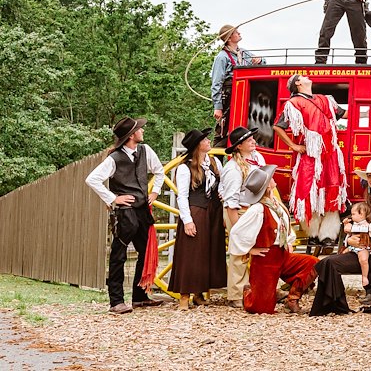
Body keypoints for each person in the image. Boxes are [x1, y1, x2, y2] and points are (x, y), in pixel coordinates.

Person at [310, 158, 371, 315]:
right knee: (329, 263)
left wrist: (356, 229)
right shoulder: (369, 198)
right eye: (370, 176)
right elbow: (362, 225)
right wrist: (349, 239)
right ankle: (335, 305)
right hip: (366, 251)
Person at [85, 116, 165, 314]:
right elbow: (92, 179)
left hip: (142, 211)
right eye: (139, 129)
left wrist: (155, 192)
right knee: (118, 254)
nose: (142, 131)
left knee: (145, 252)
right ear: (131, 135)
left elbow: (160, 171)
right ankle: (116, 302)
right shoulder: (114, 158)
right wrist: (113, 199)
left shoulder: (146, 151)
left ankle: (139, 297)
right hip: (125, 212)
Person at [228, 166, 319, 314]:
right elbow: (237, 232)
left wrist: (289, 242)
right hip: (266, 259)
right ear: (267, 186)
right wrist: (250, 249)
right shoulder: (257, 209)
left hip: (282, 254)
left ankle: (292, 299)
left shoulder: (276, 204)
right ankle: (250, 292)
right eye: (271, 178)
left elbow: (285, 227)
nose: (274, 179)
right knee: (261, 309)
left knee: (313, 263)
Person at [273, 74, 348, 245]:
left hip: (330, 154)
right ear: (297, 83)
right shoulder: (293, 103)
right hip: (310, 155)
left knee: (332, 190)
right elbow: (278, 126)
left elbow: (343, 115)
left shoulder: (324, 99)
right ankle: (313, 233)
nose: (307, 76)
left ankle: (328, 234)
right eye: (302, 76)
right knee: (309, 191)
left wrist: (370, 113)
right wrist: (293, 145)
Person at [168, 128, 227, 310]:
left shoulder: (215, 162)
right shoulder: (185, 168)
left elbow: (222, 185)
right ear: (197, 146)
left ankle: (199, 294)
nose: (209, 141)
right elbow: (182, 196)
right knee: (191, 254)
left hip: (214, 211)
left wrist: (225, 204)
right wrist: (187, 220)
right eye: (205, 140)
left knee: (209, 252)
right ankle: (184, 297)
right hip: (196, 211)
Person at [219, 126, 265, 307]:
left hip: (255, 211)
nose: (253, 141)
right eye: (249, 140)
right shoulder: (232, 169)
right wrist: (236, 229)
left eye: (252, 138)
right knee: (240, 253)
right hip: (237, 211)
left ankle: (259, 288)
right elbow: (230, 201)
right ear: (239, 146)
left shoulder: (258, 159)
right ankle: (236, 295)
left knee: (259, 250)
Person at [210, 25, 261, 148]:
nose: (239, 33)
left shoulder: (244, 53)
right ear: (229, 38)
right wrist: (218, 107)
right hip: (229, 94)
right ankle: (215, 161)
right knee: (223, 129)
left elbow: (262, 62)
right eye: (235, 32)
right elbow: (216, 83)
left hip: (245, 93)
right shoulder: (222, 57)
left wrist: (259, 60)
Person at [346, 202, 371, 287]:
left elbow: (366, 229)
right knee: (342, 254)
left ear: (361, 214)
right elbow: (347, 233)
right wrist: (346, 225)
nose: (351, 216)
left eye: (353, 214)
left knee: (363, 260)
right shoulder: (355, 224)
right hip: (353, 246)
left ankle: (364, 277)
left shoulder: (366, 224)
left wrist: (351, 228)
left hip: (363, 247)